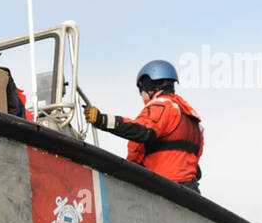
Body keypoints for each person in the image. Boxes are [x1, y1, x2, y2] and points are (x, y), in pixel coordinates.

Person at [83, 59, 203, 192]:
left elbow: (143, 130)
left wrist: (102, 120)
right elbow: (194, 165)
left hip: (162, 188)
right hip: (190, 191)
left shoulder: (162, 105)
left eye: (141, 92)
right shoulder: (193, 120)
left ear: (148, 88)